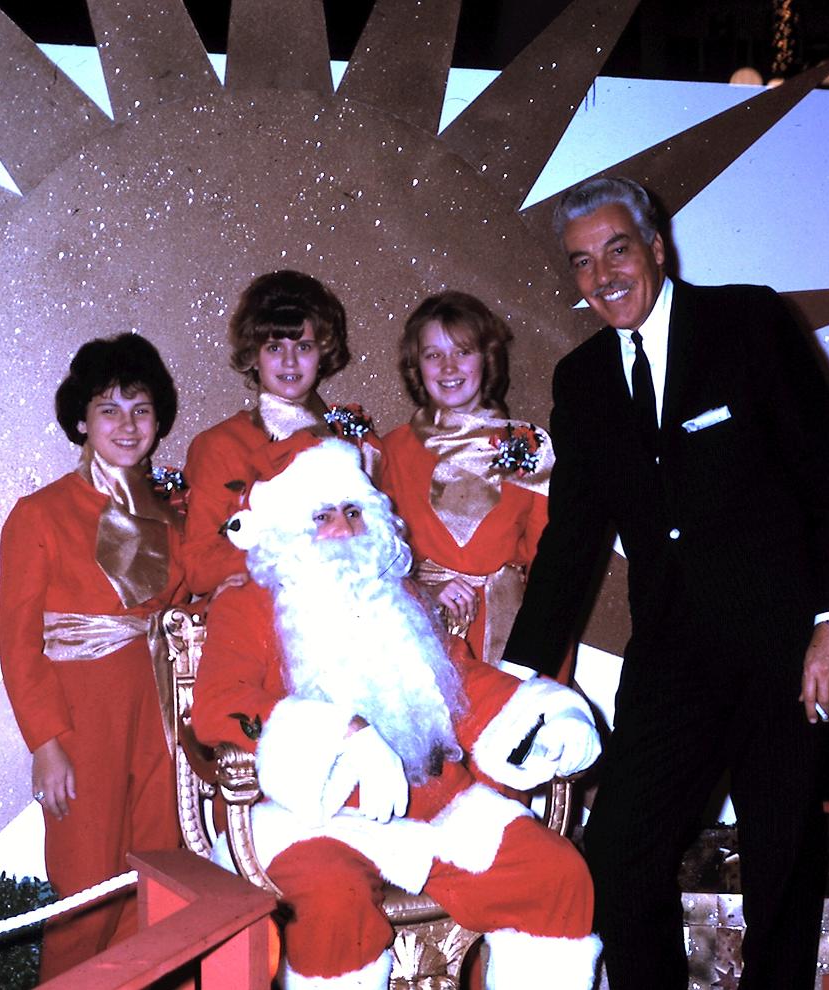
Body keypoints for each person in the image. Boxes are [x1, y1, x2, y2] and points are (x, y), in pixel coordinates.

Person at [502, 176, 829, 989]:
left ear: (656, 248)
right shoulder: (582, 379)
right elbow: (571, 541)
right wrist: (515, 675)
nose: (603, 275)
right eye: (581, 262)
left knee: (782, 868)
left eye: (617, 250)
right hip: (672, 659)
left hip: (787, 651)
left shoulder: (746, 322)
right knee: (617, 852)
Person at [192, 436, 602, 989]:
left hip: (434, 807)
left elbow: (462, 683)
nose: (343, 529)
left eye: (353, 511)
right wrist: (342, 734)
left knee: (556, 876)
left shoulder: (400, 597)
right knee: (333, 905)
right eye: (322, 516)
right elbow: (220, 705)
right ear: (289, 528)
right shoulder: (247, 606)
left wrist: (546, 715)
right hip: (311, 818)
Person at [0, 333, 186, 980]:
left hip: (160, 722)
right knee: (85, 896)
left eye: (141, 409)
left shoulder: (172, 519)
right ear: (81, 420)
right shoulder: (40, 515)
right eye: (109, 409)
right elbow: (17, 641)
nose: (127, 425)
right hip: (82, 729)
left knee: (156, 889)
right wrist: (46, 743)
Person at [182, 269, 377, 599]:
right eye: (274, 347)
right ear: (253, 356)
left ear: (322, 354)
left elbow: (386, 542)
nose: (289, 362)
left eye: (303, 347)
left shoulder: (355, 439)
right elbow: (199, 570)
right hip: (262, 615)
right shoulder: (220, 445)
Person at [380, 291, 552, 664]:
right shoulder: (391, 451)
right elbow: (376, 563)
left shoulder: (530, 446)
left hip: (512, 637)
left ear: (486, 358)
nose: (448, 367)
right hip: (417, 640)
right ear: (416, 365)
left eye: (463, 351)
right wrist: (424, 590)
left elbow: (551, 570)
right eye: (433, 355)